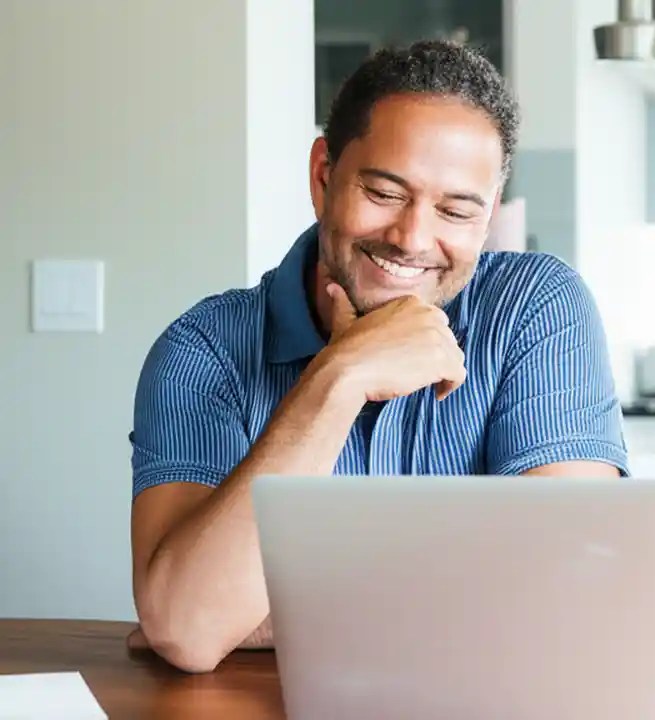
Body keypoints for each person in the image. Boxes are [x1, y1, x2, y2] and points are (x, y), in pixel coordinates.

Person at [126, 40, 628, 673]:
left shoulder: (535, 308)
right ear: (323, 175)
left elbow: (573, 589)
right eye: (385, 192)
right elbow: (191, 627)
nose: (413, 239)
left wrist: (250, 609)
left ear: (489, 215)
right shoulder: (203, 351)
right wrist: (339, 377)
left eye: (455, 209)